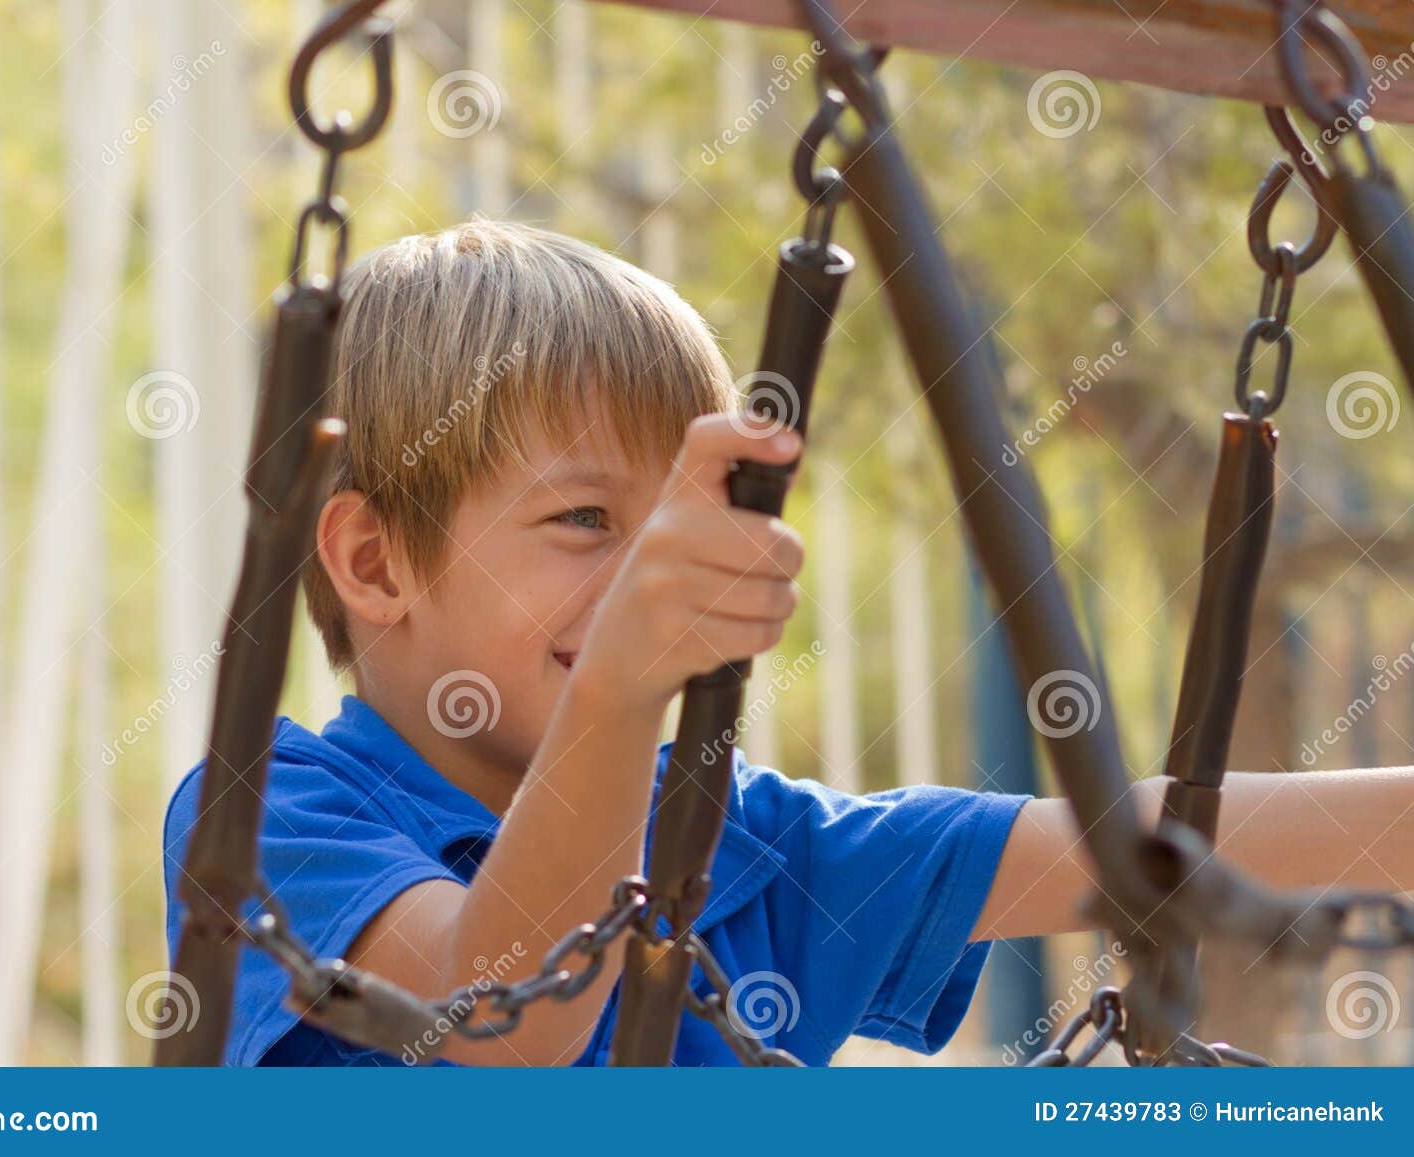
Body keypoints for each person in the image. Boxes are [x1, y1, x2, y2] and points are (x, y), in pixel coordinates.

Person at [163, 219, 1414, 1067]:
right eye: (586, 518)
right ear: (375, 562)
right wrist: (618, 691)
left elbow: (1138, 837)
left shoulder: (752, 846)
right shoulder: (276, 812)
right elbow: (490, 1024)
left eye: (680, 528)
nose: (651, 570)